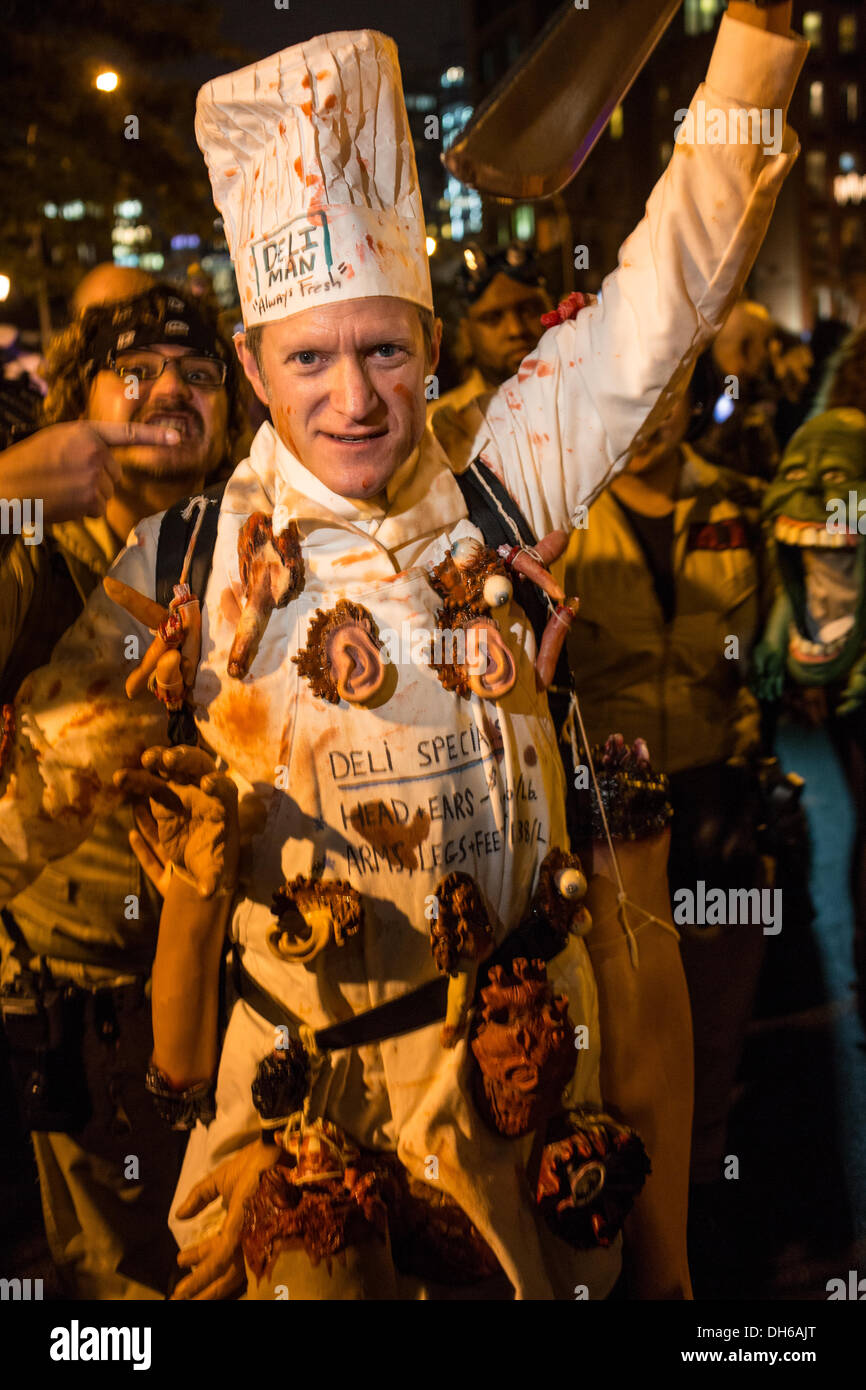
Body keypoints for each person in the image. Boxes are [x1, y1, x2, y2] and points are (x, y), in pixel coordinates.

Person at [0, 7, 807, 1300]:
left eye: (383, 348)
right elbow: (27, 808)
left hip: (525, 1119)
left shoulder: (502, 484)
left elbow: (666, 294)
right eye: (309, 359)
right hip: (303, 1157)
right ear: (255, 368)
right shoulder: (181, 565)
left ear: (430, 349)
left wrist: (756, 47)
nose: (354, 398)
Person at [0, 283, 242, 1299]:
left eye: (197, 373)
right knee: (127, 1293)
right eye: (133, 370)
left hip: (257, 997)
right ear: (80, 398)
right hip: (91, 1008)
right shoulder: (32, 561)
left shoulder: (265, 548)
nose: (167, 390)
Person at [560, 364, 773, 1295]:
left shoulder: (742, 508)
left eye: (669, 389)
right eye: (632, 391)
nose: (648, 415)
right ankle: (633, 1266)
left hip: (718, 817)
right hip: (605, 831)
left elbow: (771, 660)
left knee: (715, 1055)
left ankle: (704, 1268)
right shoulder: (558, 515)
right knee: (614, 1064)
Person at [692, 299, 781, 481]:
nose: (768, 352)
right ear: (745, 347)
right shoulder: (729, 388)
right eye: (765, 342)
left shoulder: (725, 384)